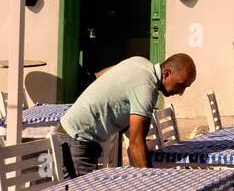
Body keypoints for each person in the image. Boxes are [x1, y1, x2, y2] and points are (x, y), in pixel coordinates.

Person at [54, 53, 196, 178]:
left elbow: (102, 75)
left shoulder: (140, 62)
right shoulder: (147, 87)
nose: (181, 92)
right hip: (76, 141)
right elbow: (136, 144)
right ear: (166, 73)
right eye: (180, 85)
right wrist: (151, 183)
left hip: (76, 137)